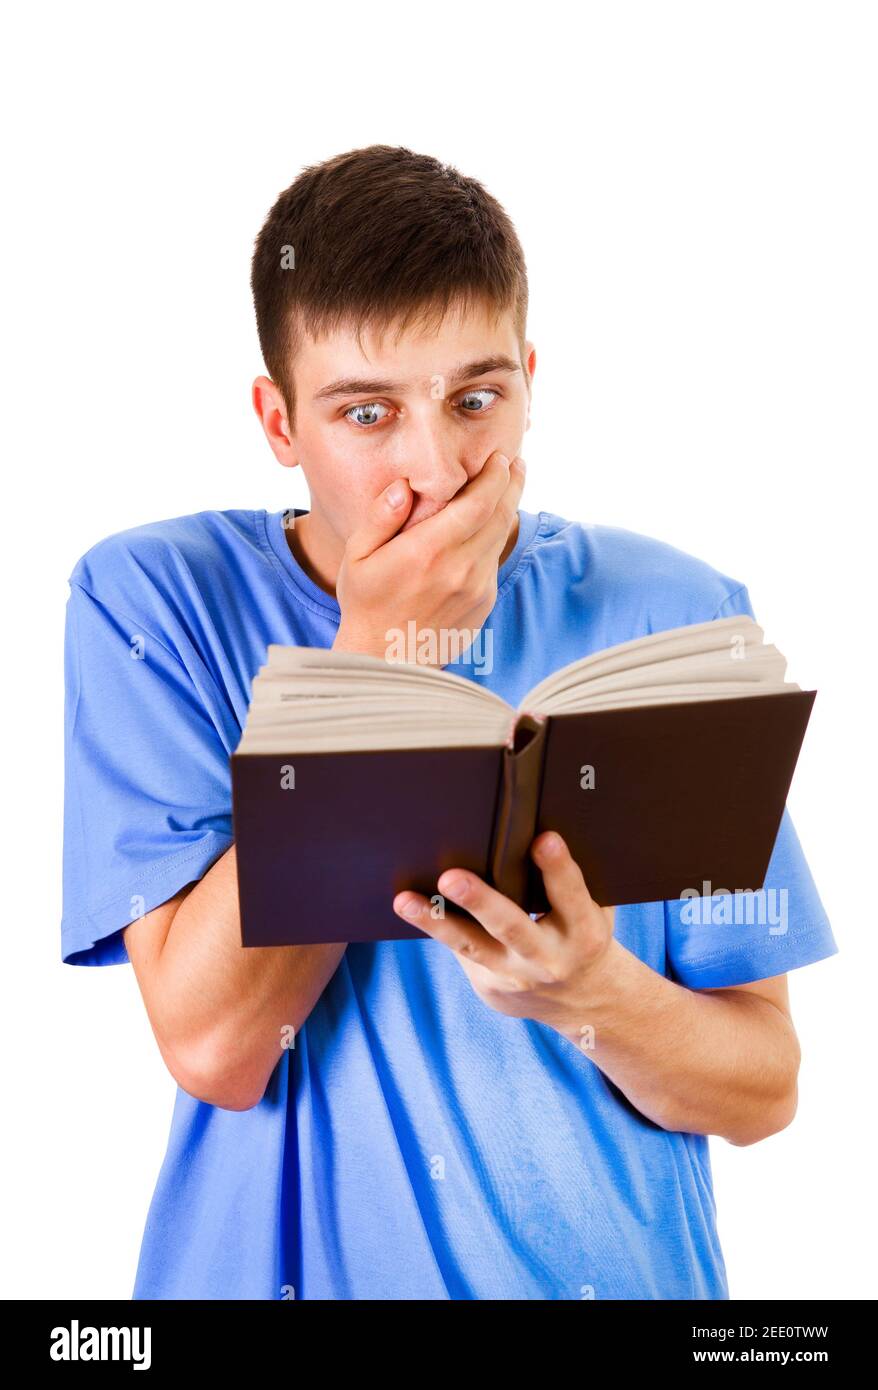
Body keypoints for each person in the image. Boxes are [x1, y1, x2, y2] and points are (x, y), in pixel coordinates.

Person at [61, 145, 838, 1300]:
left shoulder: (674, 615)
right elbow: (217, 1048)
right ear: (278, 421)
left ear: (529, 377)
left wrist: (593, 996)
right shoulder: (151, 602)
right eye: (365, 412)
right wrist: (368, 650)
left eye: (474, 399)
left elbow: (760, 1088)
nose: (431, 468)